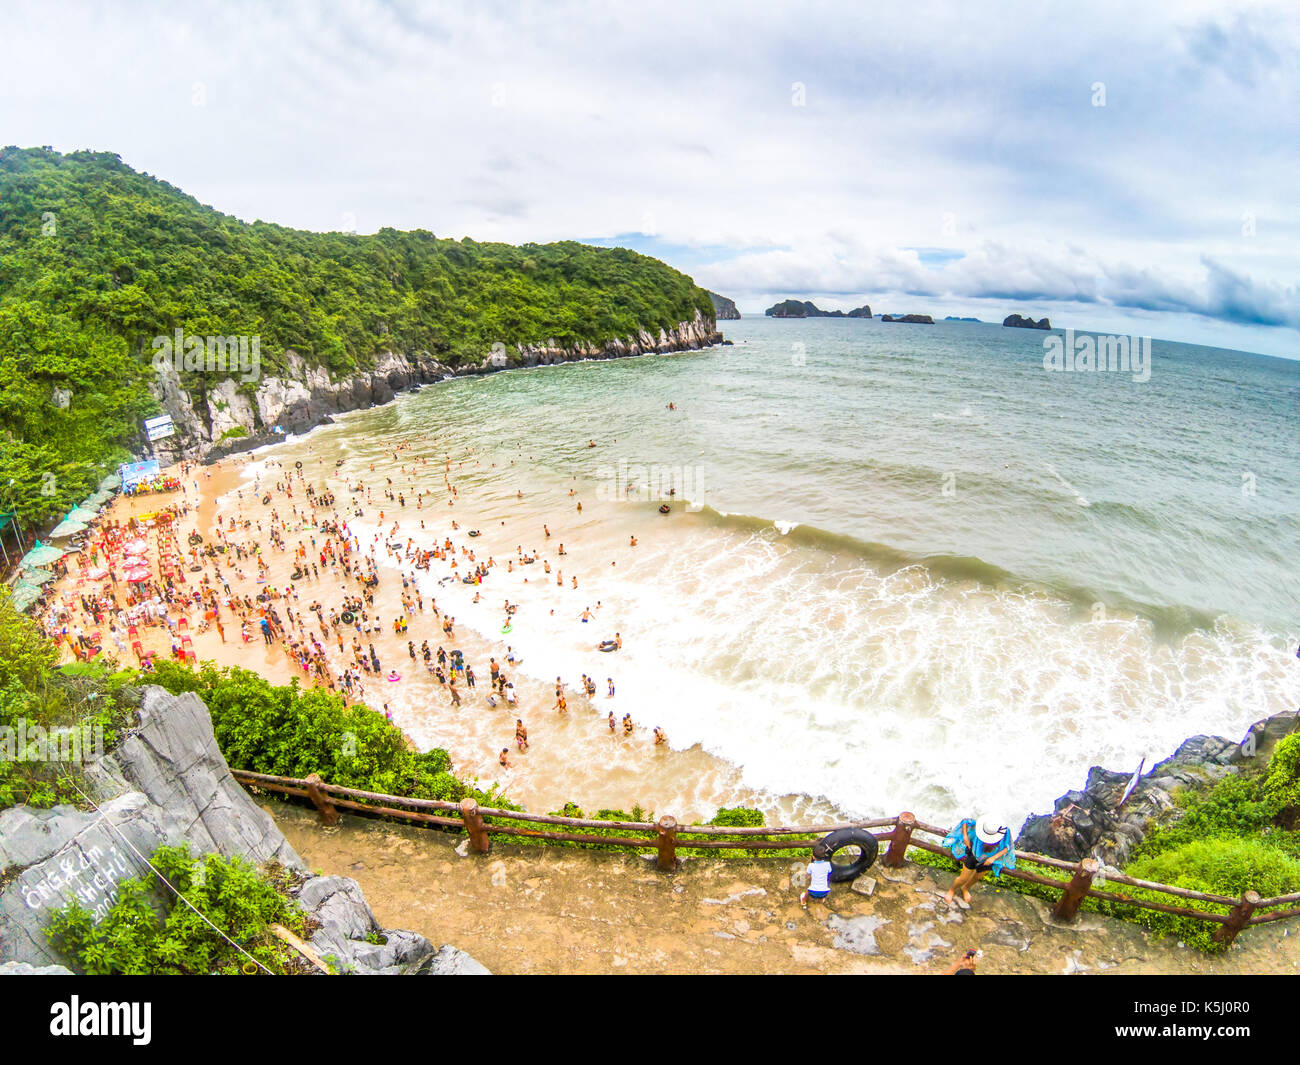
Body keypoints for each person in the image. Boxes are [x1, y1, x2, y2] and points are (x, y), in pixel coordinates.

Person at [942, 815, 1015, 907]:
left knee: (977, 877)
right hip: (974, 855)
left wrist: (993, 858)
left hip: (989, 860)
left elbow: (1008, 847)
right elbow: (965, 821)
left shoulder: (1004, 831)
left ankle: (965, 888)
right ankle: (952, 890)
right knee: (963, 878)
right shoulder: (981, 825)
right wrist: (965, 836)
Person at [800, 841, 833, 908]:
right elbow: (830, 871)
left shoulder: (811, 865)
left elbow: (808, 872)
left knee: (808, 890)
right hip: (825, 892)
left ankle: (803, 901)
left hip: (812, 892)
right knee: (824, 885)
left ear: (813, 857)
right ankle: (821, 899)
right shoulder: (827, 864)